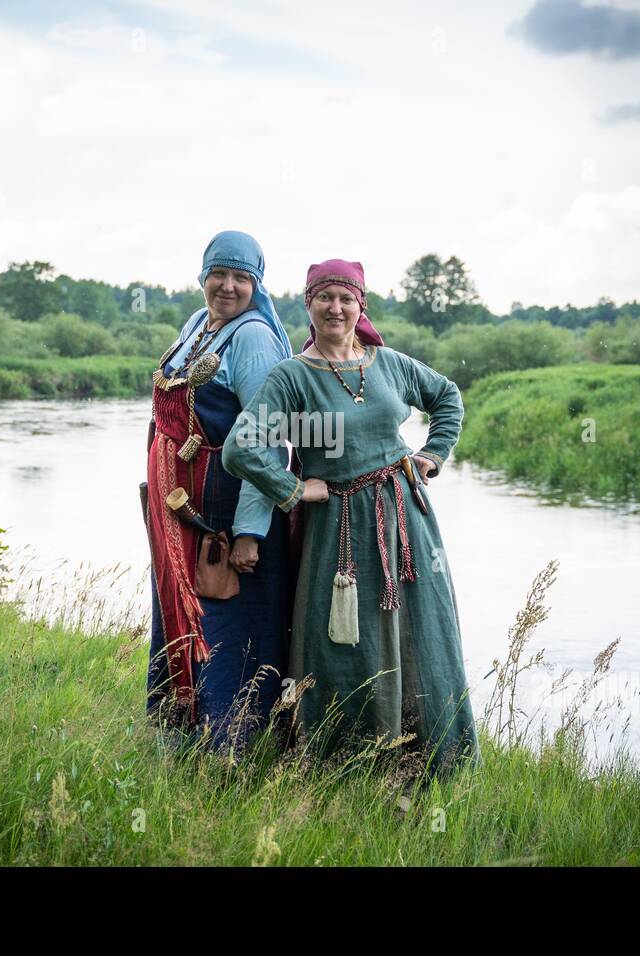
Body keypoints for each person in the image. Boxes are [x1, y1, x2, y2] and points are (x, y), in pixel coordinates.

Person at [222, 259, 479, 779]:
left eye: (345, 298)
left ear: (361, 305)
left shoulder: (388, 363)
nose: (335, 308)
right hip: (338, 527)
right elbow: (240, 448)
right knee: (343, 641)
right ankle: (345, 763)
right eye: (324, 298)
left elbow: (447, 396)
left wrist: (434, 453)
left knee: (422, 631)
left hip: (407, 519)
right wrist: (293, 488)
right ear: (309, 305)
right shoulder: (292, 377)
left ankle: (429, 758)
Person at [144, 230, 297, 753]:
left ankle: (227, 747)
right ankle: (176, 729)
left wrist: (251, 532)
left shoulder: (253, 339)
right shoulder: (198, 323)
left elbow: (269, 439)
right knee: (180, 609)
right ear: (202, 276)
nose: (228, 287)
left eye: (241, 278)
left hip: (224, 513)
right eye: (219, 275)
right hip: (181, 509)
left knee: (224, 619)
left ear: (256, 282)